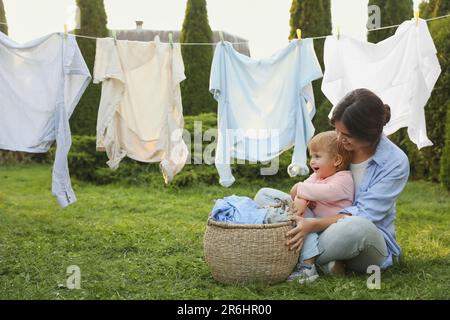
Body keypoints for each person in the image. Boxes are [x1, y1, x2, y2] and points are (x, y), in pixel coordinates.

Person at [255, 88, 410, 277]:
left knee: (357, 227)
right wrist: (302, 201)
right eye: (337, 130)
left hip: (360, 237)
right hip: (317, 224)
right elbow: (314, 182)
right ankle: (325, 260)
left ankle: (299, 253)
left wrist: (311, 224)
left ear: (368, 133)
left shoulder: (394, 162)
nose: (339, 137)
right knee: (265, 196)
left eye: (346, 134)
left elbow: (366, 215)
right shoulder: (338, 144)